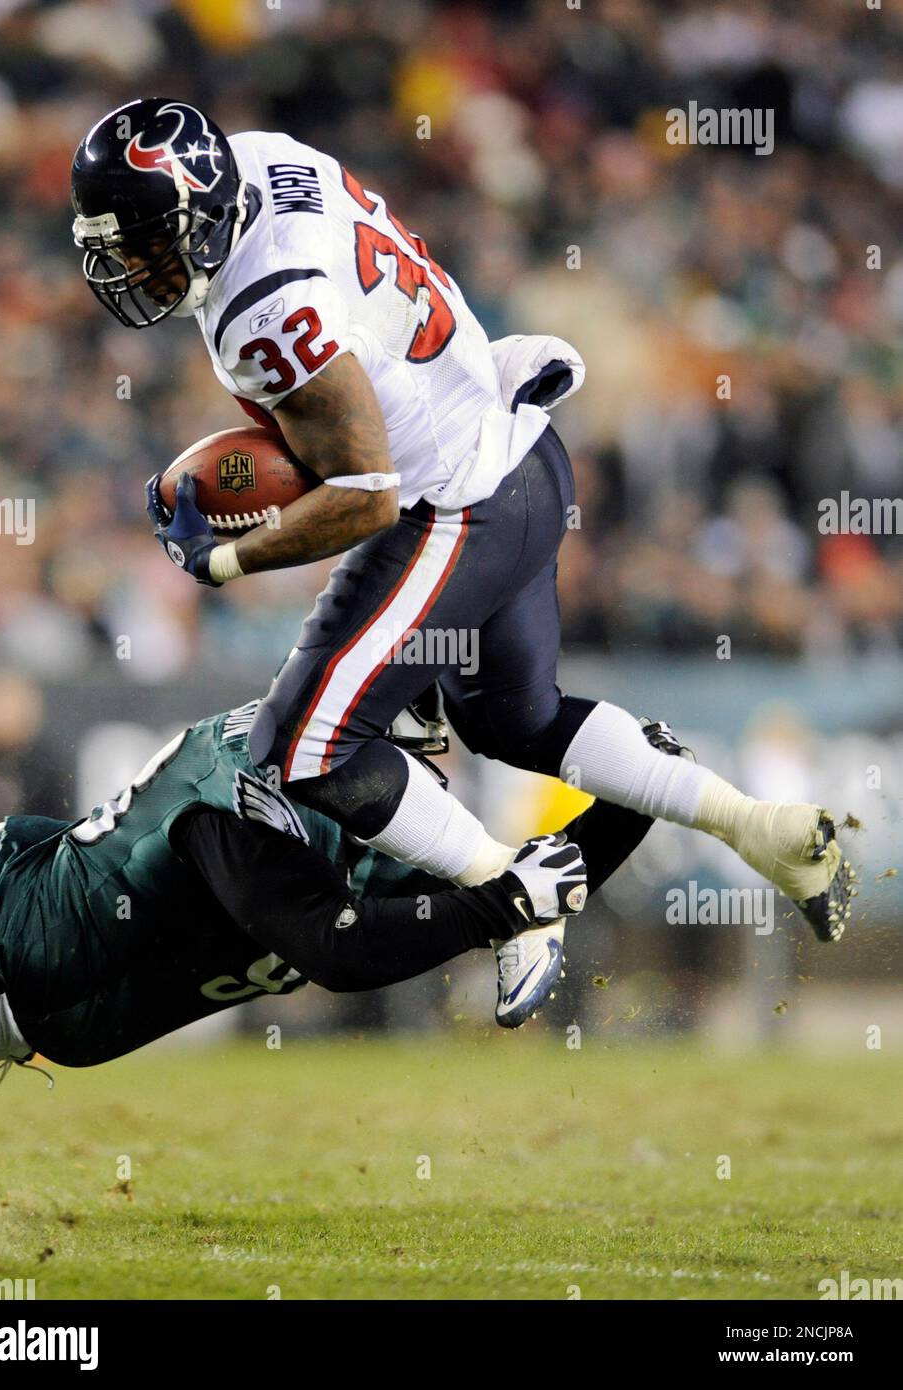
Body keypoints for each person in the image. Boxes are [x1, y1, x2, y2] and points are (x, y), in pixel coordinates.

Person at [70, 100, 853, 1009]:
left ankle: (517, 892)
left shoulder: (265, 312)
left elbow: (366, 494)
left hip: (455, 506)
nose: (131, 264)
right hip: (515, 451)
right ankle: (764, 827)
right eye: (117, 243)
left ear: (203, 212)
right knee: (513, 718)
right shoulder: (264, 159)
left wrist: (226, 563)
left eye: (147, 239)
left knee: (307, 747)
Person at [0, 705, 698, 1097]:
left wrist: (636, 799)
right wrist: (497, 907)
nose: (433, 764)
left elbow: (536, 893)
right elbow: (331, 946)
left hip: (30, 978)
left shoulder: (371, 835)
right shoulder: (245, 783)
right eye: (410, 743)